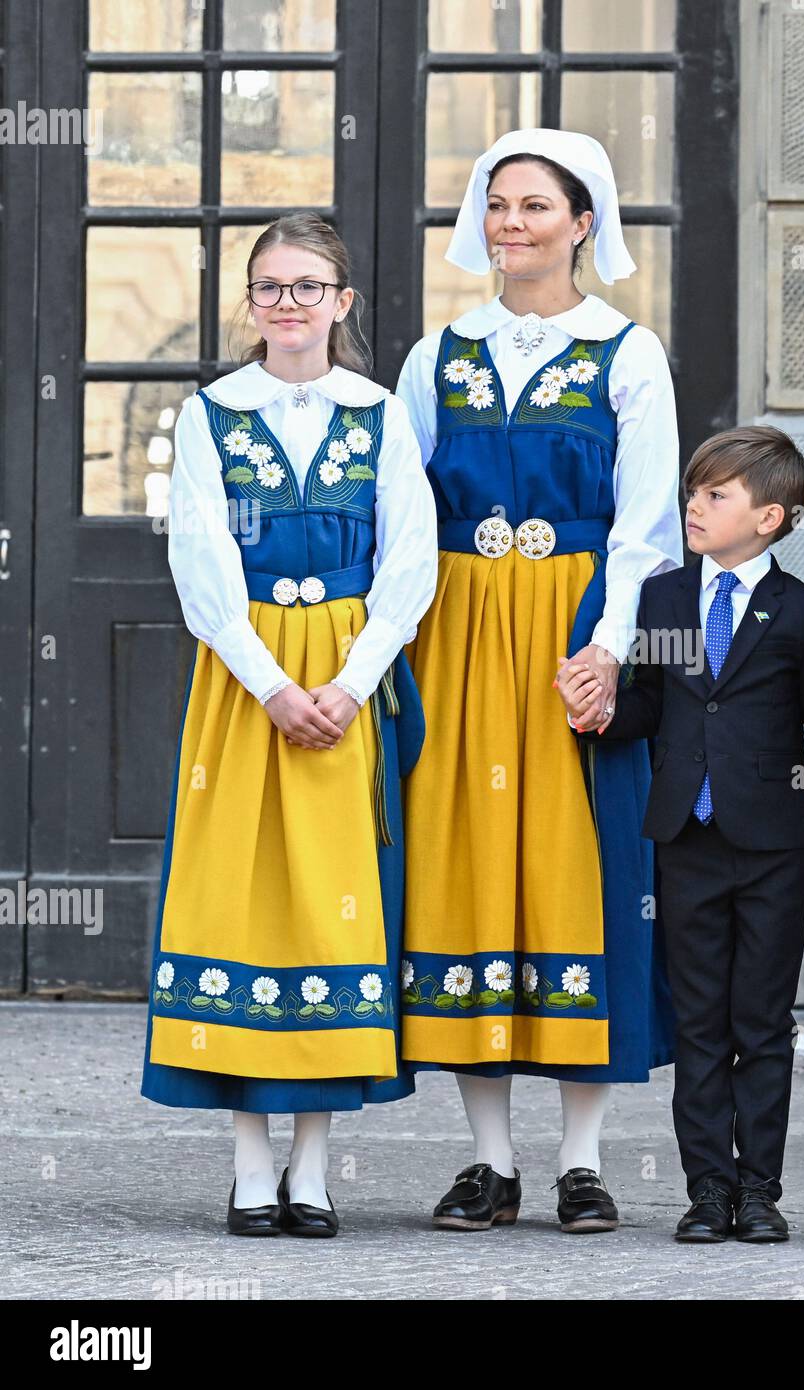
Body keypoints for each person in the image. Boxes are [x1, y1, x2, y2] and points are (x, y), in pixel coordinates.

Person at [395, 130, 682, 1233]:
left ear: (582, 221)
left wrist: (610, 645)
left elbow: (648, 524)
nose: (513, 224)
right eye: (499, 205)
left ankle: (583, 1157)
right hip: (462, 633)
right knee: (471, 867)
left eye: (536, 206)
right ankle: (489, 1158)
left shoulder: (626, 353)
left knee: (582, 867)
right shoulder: (440, 355)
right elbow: (407, 514)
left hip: (569, 629)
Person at [141, 213, 438, 1237]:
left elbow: (410, 562)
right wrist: (270, 684)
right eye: (269, 288)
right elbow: (202, 562)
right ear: (250, 302)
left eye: (309, 287)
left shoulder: (379, 413)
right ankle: (249, 1164)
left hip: (347, 683)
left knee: (334, 910)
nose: (289, 305)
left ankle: (314, 1167)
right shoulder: (212, 413)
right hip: (246, 685)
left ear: (343, 302)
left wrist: (354, 683)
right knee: (244, 904)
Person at [558, 426, 804, 1242]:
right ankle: (705, 1190)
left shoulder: (802, 611)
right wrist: (596, 713)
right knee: (698, 1020)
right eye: (693, 491)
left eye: (715, 494)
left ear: (769, 517)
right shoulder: (660, 599)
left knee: (761, 1023)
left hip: (770, 844)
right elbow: (651, 708)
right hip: (683, 839)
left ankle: (759, 1191)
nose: (694, 505)